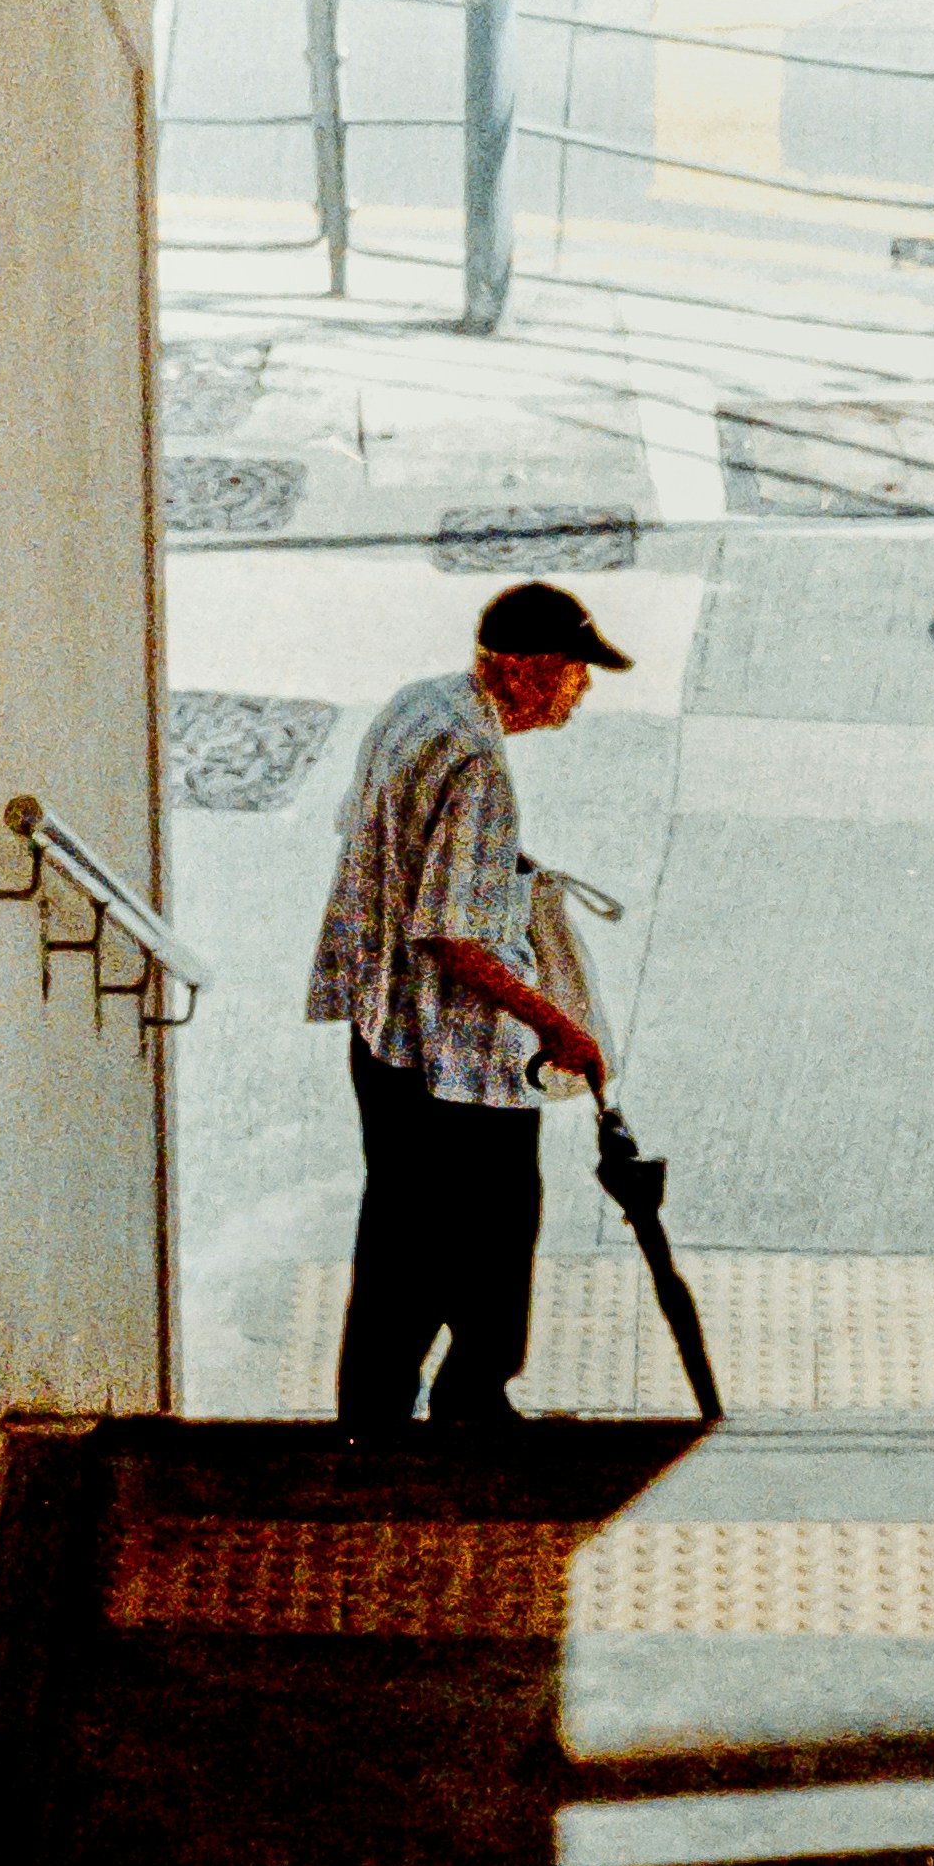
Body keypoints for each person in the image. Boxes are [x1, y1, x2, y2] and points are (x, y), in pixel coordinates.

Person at [306, 579, 628, 1430]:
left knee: (399, 1235)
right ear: (521, 669)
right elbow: (453, 939)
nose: (580, 688)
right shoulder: (481, 765)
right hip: (455, 1060)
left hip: (381, 1033)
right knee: (493, 1232)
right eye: (572, 671)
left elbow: (379, 833)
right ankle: (471, 1405)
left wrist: (503, 866)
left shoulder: (418, 708)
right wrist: (563, 1027)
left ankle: (370, 1416)